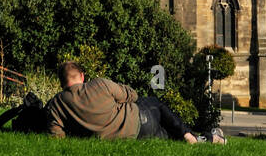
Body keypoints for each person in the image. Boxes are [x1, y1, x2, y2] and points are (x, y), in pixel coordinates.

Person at [45, 61, 225, 143]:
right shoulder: (99, 84)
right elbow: (132, 95)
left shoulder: (56, 105)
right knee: (155, 103)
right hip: (139, 122)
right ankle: (192, 136)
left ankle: (209, 138)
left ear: (61, 82)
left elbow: (57, 136)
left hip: (131, 137)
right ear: (82, 76)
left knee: (166, 135)